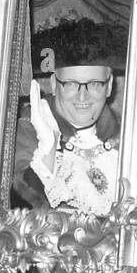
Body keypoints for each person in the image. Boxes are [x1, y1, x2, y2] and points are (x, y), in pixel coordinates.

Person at [13, 15, 125, 214]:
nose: (83, 96)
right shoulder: (27, 130)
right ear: (55, 84)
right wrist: (48, 151)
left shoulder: (124, 137)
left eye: (95, 84)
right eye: (71, 84)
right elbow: (18, 206)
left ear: (109, 87)